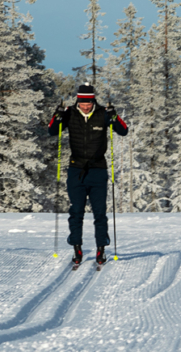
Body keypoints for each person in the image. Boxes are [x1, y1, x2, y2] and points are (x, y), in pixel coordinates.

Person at [47, 84, 129, 266]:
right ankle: (77, 248)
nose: (85, 106)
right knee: (76, 212)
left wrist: (115, 117)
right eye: (83, 103)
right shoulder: (69, 113)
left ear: (93, 100)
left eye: (89, 103)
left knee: (100, 213)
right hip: (76, 170)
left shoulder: (103, 113)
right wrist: (57, 115)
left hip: (98, 170)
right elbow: (52, 130)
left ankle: (101, 249)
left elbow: (123, 130)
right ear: (78, 100)